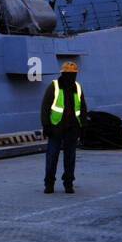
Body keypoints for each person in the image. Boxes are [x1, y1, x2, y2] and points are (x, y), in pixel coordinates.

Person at [41, 61, 87, 194]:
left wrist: (83, 126)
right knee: (52, 157)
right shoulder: (54, 87)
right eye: (68, 74)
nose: (71, 77)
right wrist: (46, 126)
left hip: (72, 128)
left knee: (70, 158)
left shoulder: (77, 88)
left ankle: (68, 183)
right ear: (63, 74)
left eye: (73, 74)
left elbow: (82, 108)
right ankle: (49, 184)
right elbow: (45, 107)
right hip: (56, 128)